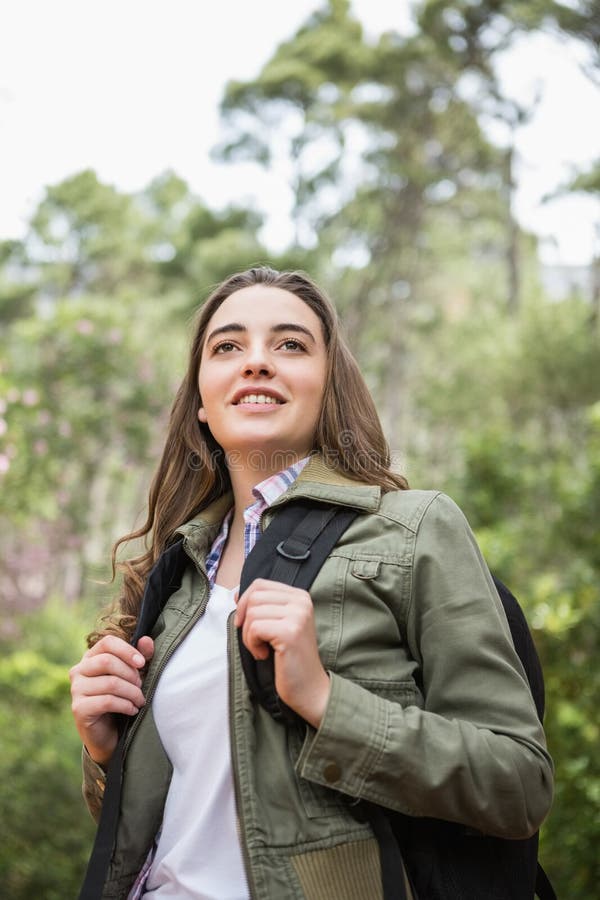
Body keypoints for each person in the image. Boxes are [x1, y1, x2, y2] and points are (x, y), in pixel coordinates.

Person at [70, 266, 553, 900]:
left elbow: (519, 784)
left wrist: (325, 701)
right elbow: (183, 819)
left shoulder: (412, 530)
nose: (257, 363)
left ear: (329, 388)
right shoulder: (173, 574)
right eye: (228, 346)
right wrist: (106, 752)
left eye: (290, 344)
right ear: (200, 404)